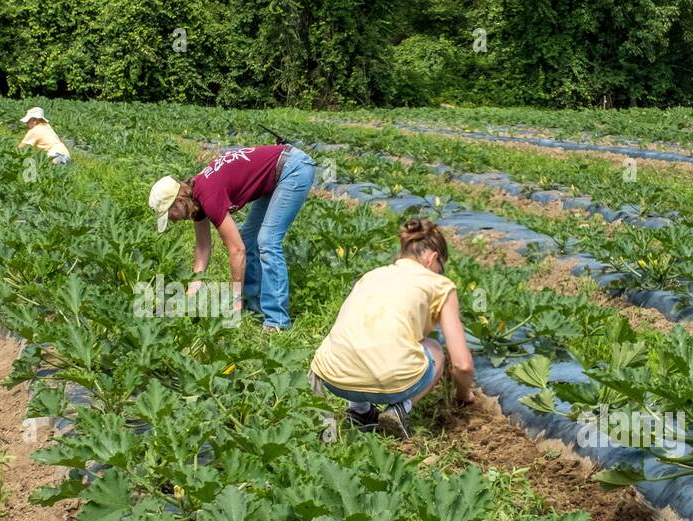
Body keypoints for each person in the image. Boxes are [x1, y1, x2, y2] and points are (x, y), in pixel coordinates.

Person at [309, 219, 475, 439]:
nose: (440, 273)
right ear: (432, 259)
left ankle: (359, 412)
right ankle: (400, 408)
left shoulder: (373, 274)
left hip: (330, 377)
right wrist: (464, 395)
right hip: (389, 384)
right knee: (434, 349)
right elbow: (462, 365)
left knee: (364, 335)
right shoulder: (440, 285)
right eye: (440, 267)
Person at [147, 143, 315, 331]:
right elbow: (203, 250)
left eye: (171, 215)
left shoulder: (208, 195)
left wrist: (235, 301)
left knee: (267, 240)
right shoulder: (195, 200)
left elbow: (237, 250)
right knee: (250, 240)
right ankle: (254, 307)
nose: (174, 221)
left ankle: (276, 321)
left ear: (179, 201)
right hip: (276, 175)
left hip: (292, 169)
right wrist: (191, 294)